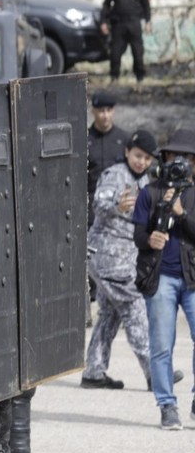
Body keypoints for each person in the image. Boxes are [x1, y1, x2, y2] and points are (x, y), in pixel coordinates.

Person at [83, 129, 160, 390]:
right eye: (138, 156)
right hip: (108, 256)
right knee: (135, 308)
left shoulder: (145, 180)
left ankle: (94, 371)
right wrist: (117, 205)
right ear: (127, 152)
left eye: (147, 158)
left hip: (123, 257)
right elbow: (98, 205)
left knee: (109, 314)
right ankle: (156, 373)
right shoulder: (115, 175)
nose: (141, 162)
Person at [133, 127, 195, 430]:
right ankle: (167, 405)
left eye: (186, 156)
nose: (180, 161)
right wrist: (150, 239)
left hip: (193, 278)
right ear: (166, 157)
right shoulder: (150, 192)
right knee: (161, 345)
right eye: (175, 155)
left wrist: (181, 213)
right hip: (160, 278)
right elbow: (138, 235)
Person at [100, 0, 152, 83]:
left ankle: (140, 78)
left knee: (138, 52)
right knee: (115, 52)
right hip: (118, 24)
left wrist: (148, 22)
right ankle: (114, 77)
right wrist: (103, 22)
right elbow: (106, 5)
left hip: (134, 23)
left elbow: (146, 6)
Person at [86, 91, 130, 225]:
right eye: (101, 111)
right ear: (93, 111)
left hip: (118, 203)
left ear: (113, 111)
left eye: (109, 110)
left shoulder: (124, 139)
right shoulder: (85, 139)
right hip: (91, 204)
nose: (105, 115)